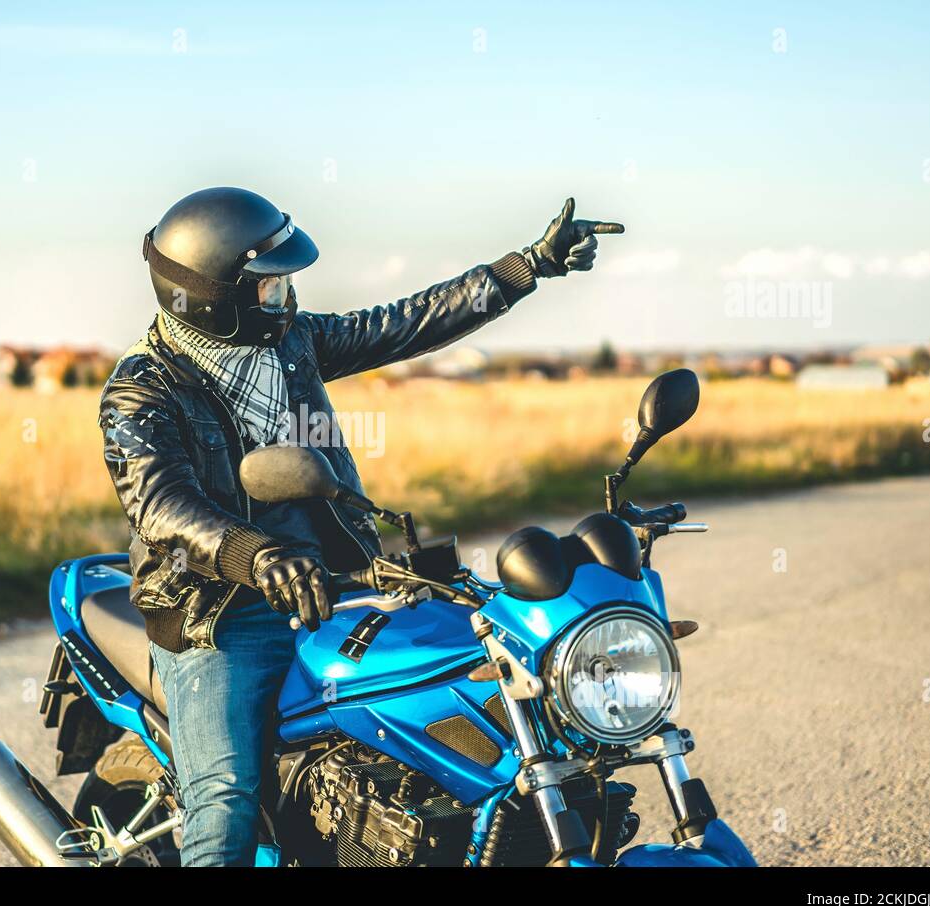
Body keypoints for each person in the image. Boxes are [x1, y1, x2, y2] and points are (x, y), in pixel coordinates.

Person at [100, 186, 623, 865]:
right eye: (267, 285)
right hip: (219, 612)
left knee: (468, 692)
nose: (283, 296)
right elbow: (162, 505)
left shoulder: (291, 344)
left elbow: (405, 321)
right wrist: (255, 556)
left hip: (336, 581)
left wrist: (526, 266)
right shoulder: (141, 390)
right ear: (211, 298)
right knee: (224, 799)